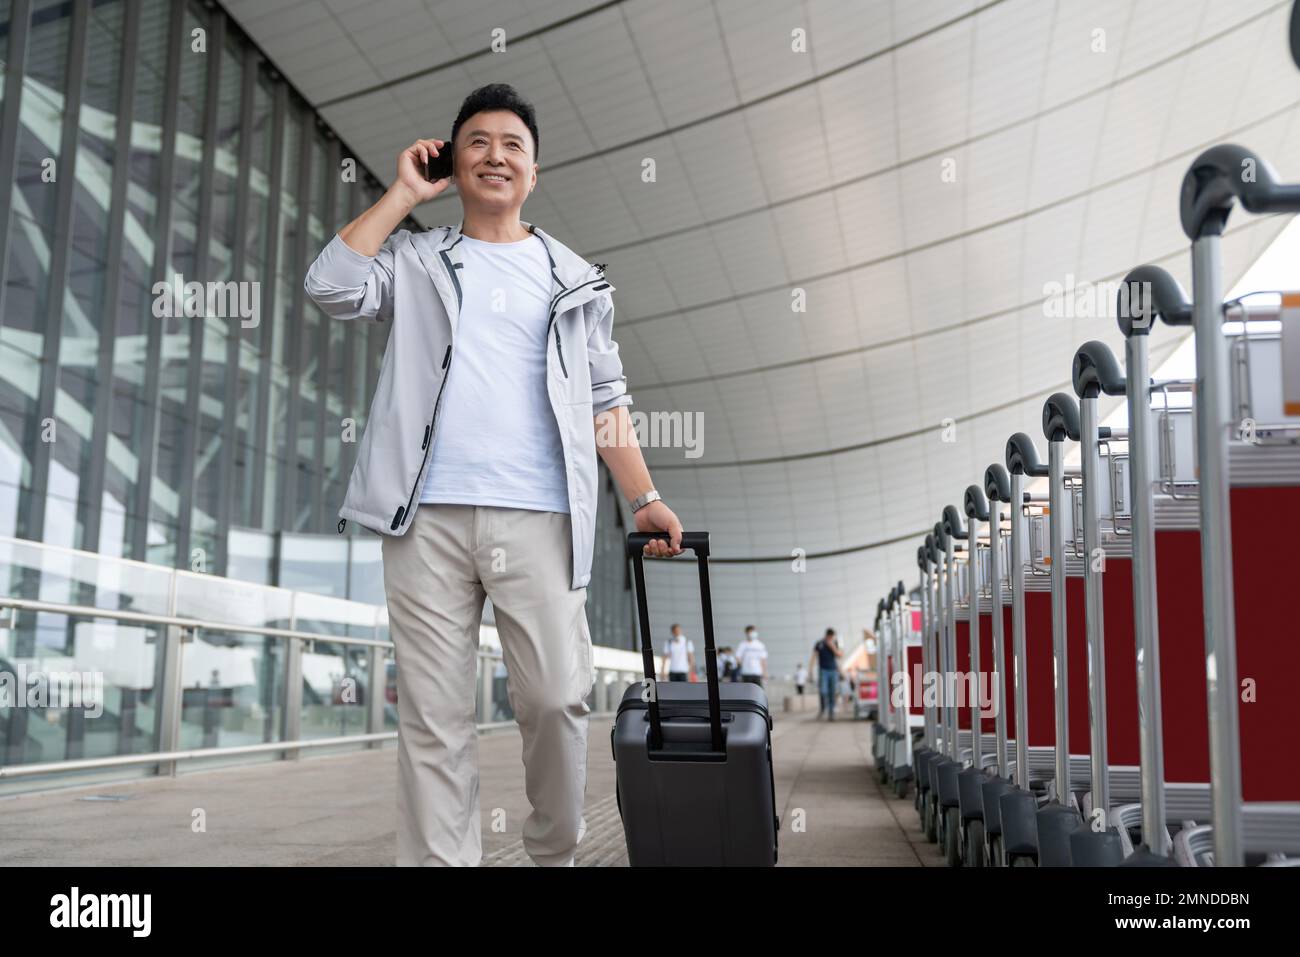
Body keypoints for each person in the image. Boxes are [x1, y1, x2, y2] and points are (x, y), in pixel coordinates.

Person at [304, 84, 684, 867]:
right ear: (451, 161)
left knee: (554, 699)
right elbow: (331, 285)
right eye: (475, 142)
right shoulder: (415, 258)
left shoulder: (575, 280)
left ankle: (554, 851)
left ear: (534, 170)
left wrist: (642, 496)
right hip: (425, 519)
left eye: (511, 143)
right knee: (433, 719)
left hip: (540, 518)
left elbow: (606, 399)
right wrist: (404, 194)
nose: (494, 155)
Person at [810, 628, 842, 720]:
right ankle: (823, 708)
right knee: (823, 691)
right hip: (823, 670)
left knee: (832, 692)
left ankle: (831, 713)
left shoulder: (834, 643)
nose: (832, 638)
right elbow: (814, 656)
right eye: (831, 637)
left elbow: (839, 655)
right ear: (828, 635)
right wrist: (810, 670)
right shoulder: (819, 643)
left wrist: (832, 647)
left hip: (833, 670)